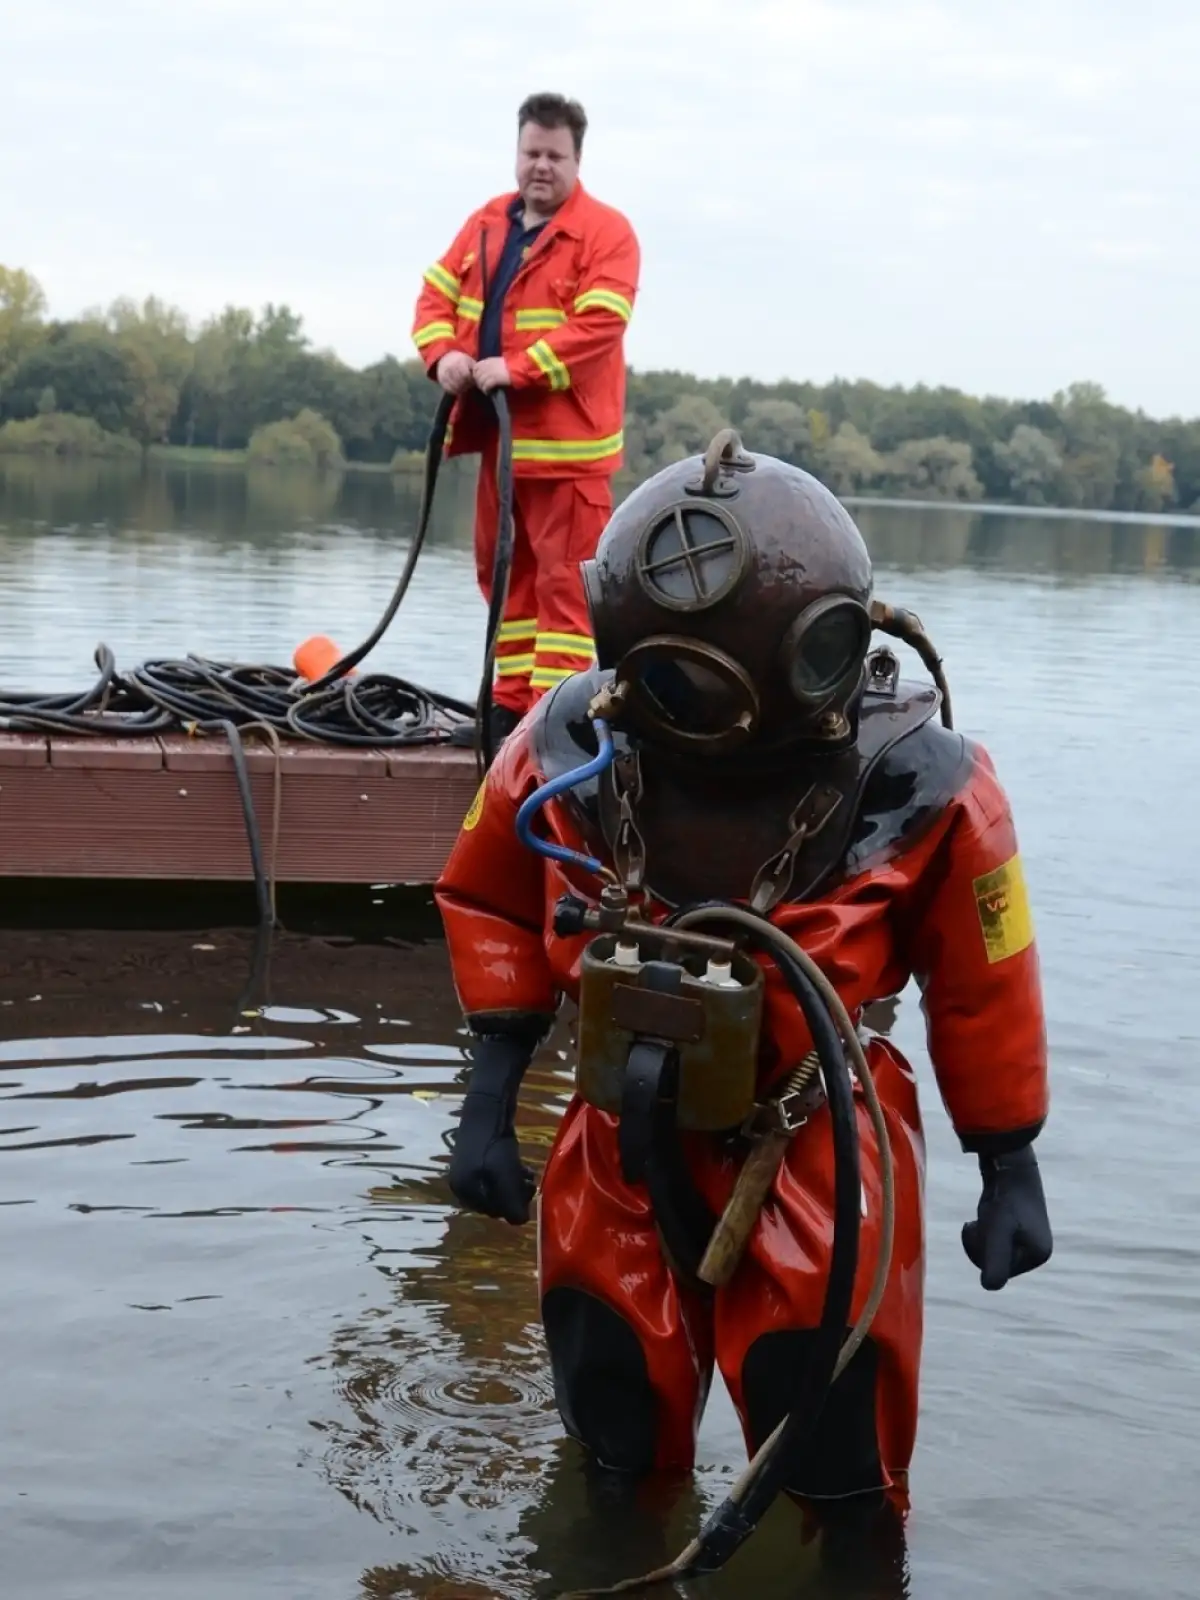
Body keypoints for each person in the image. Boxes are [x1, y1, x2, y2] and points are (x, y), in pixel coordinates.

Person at [432, 434, 1053, 1546]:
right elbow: (488, 894)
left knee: (831, 1442)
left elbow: (985, 973)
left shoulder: (921, 784)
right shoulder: (571, 745)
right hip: (618, 1136)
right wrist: (491, 1096)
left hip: (818, 1133)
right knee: (612, 1420)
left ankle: (851, 1558)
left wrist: (1008, 1157)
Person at [410, 92, 640, 748]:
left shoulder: (606, 233)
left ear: (577, 160)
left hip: (567, 455)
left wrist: (520, 366)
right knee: (504, 583)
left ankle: (556, 729)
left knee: (567, 601)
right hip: (501, 448)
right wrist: (444, 355)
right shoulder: (486, 223)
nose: (541, 166)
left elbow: (600, 323)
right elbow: (434, 298)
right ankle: (507, 716)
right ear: (518, 153)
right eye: (531, 152)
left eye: (554, 155)